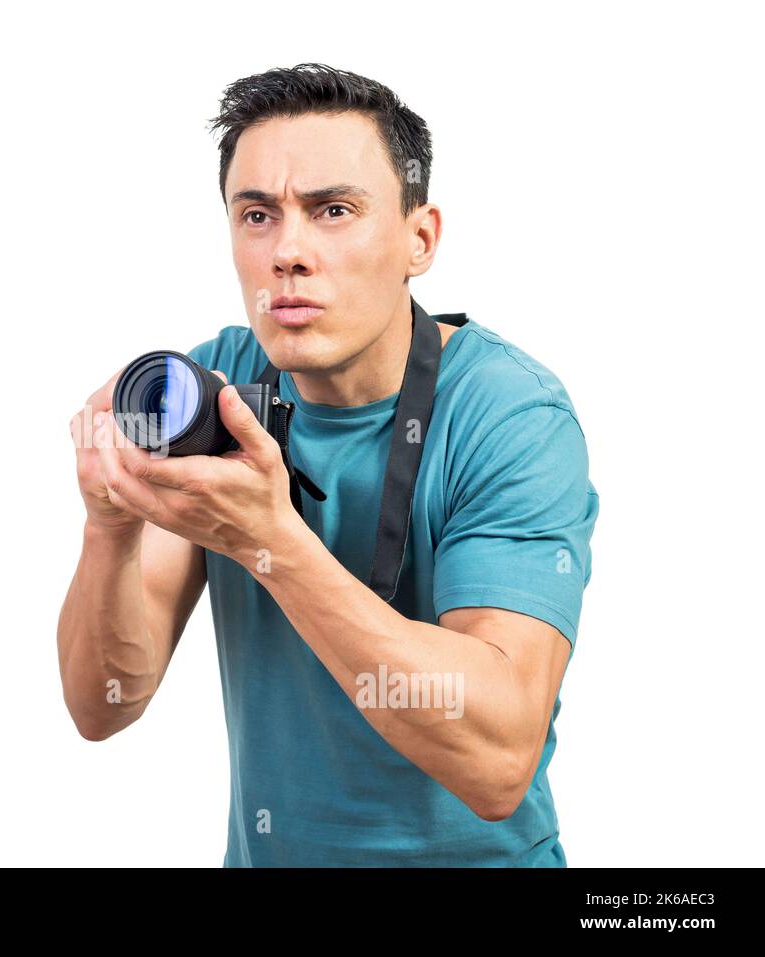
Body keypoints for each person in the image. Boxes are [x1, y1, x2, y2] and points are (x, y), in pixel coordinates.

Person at [57, 63, 600, 867]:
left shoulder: (510, 415)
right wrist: (110, 524)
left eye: (333, 211)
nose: (288, 253)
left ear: (421, 239)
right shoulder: (220, 392)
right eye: (257, 216)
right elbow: (105, 704)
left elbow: (499, 762)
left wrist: (268, 542)